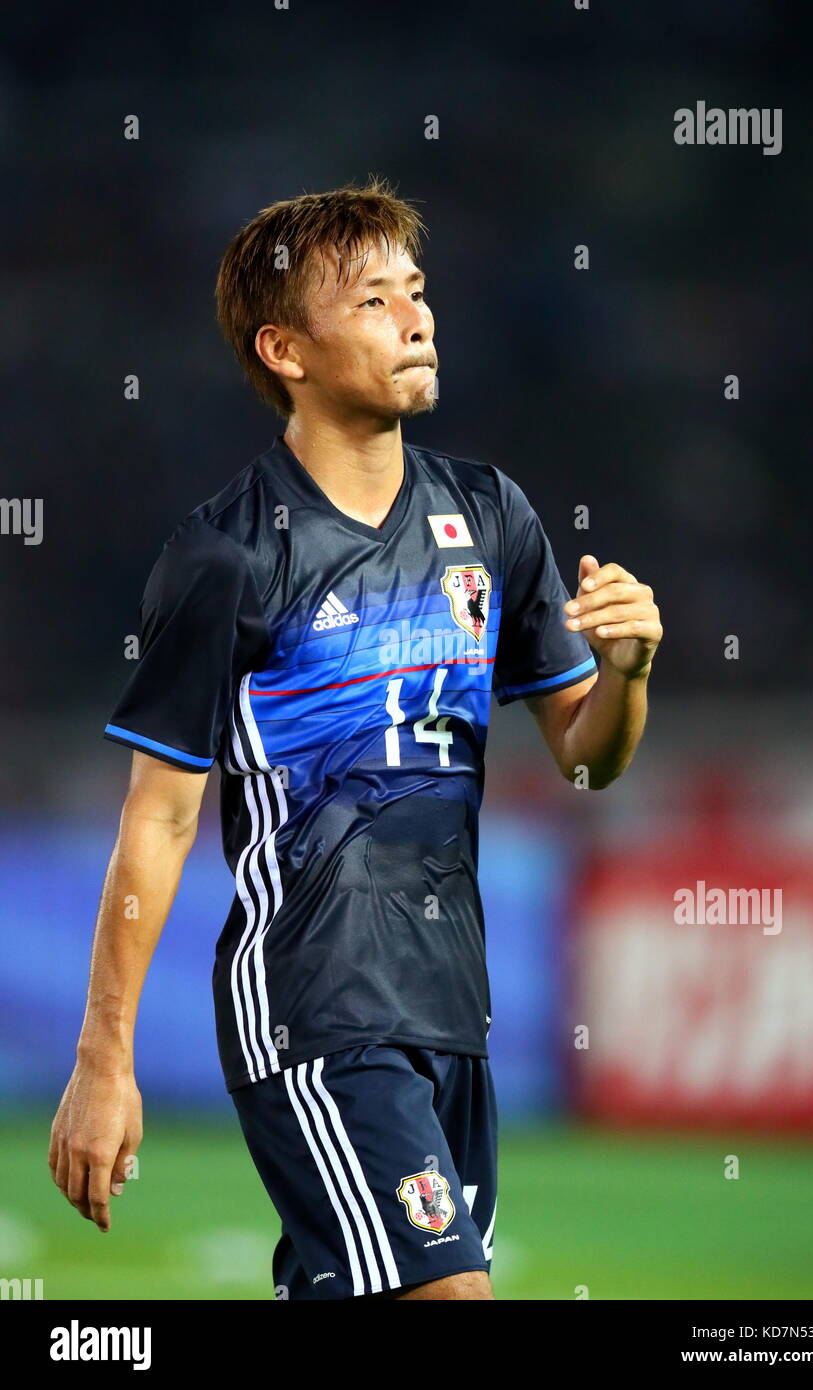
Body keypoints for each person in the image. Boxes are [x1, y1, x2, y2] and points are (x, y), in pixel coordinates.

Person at [49, 177, 662, 1300]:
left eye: (416, 292)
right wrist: (103, 1056)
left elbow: (584, 758)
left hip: (451, 1000)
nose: (417, 318)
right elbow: (160, 815)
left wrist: (624, 672)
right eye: (374, 299)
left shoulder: (489, 515)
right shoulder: (225, 555)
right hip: (314, 996)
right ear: (284, 349)